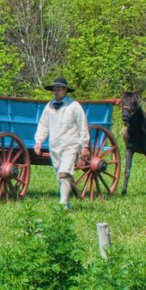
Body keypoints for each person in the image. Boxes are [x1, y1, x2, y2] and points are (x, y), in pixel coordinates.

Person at [33, 77, 89, 210]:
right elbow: (43, 124)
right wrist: (39, 141)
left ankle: (62, 205)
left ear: (65, 90)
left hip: (70, 144)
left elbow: (82, 124)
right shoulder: (49, 106)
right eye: (54, 90)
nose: (56, 92)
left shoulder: (74, 106)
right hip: (55, 146)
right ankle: (67, 204)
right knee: (61, 174)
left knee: (63, 173)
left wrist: (84, 145)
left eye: (58, 89)